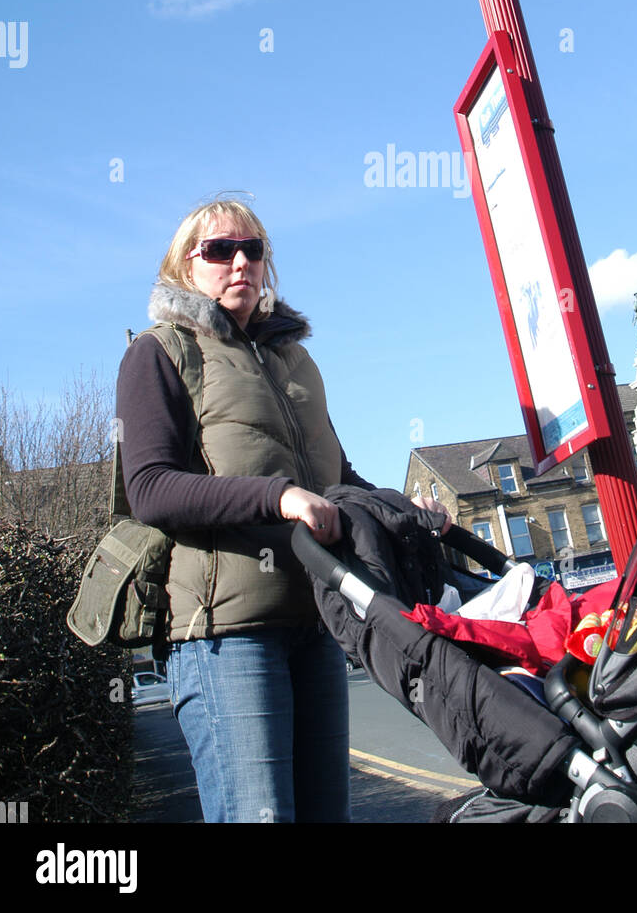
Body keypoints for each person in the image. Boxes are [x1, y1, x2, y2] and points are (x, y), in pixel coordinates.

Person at [117, 196, 446, 823]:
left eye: (253, 249)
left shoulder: (294, 361)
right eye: (219, 250)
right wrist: (278, 496)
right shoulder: (160, 353)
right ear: (186, 266)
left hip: (320, 619)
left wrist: (412, 511)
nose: (239, 261)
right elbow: (152, 488)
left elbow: (341, 479)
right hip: (224, 635)